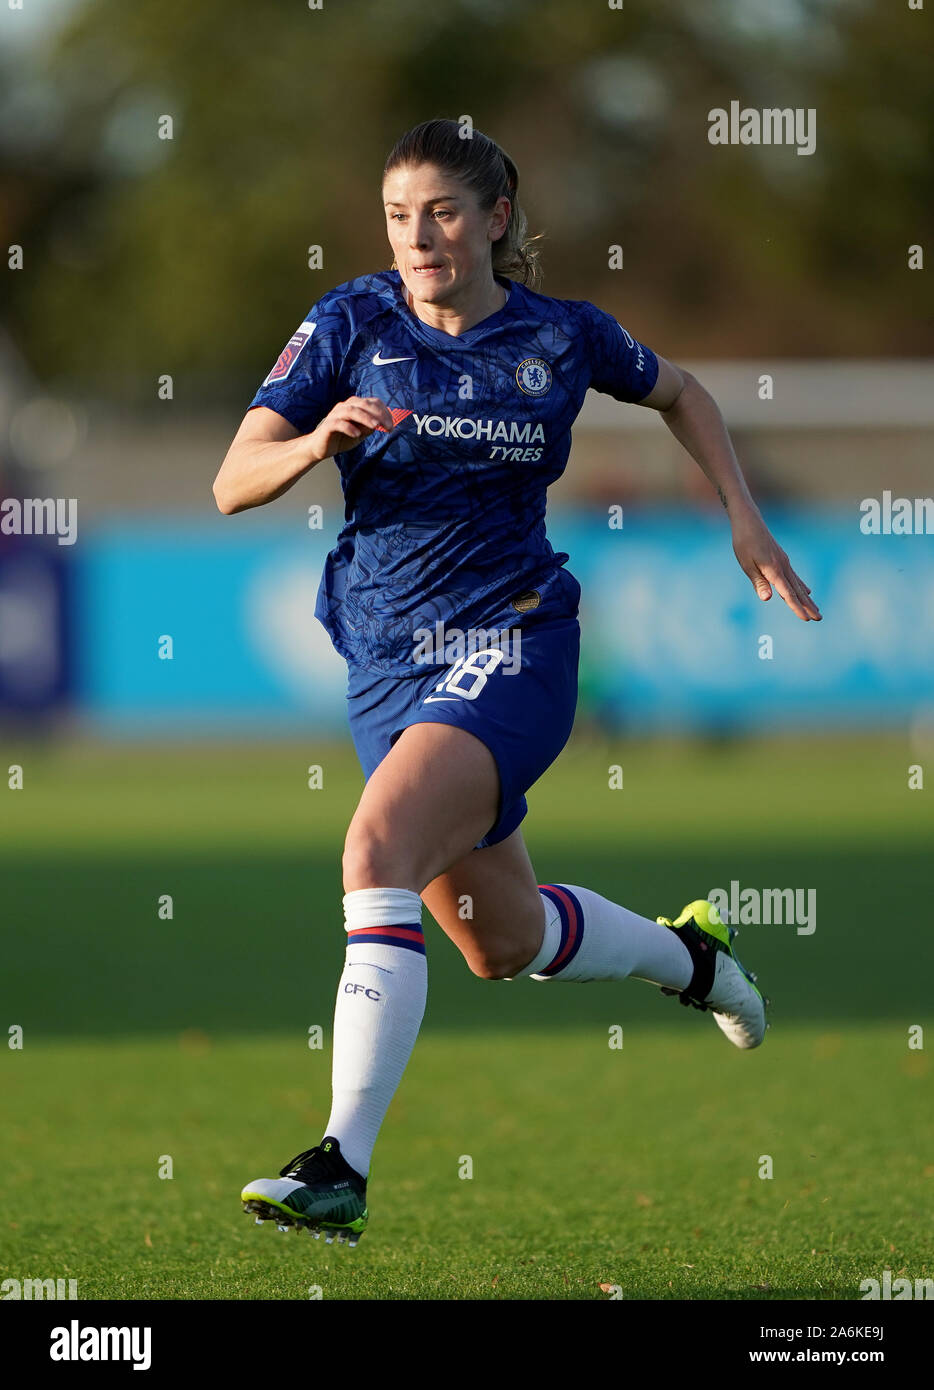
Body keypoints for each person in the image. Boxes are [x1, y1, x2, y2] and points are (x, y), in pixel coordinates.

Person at [213, 118, 821, 1248]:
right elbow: (229, 479)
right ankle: (694, 958)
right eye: (399, 216)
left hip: (515, 636)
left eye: (441, 211)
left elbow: (682, 392)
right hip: (385, 659)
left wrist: (741, 512)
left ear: (495, 218)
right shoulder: (350, 320)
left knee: (370, 852)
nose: (418, 237)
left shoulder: (563, 335)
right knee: (500, 944)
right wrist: (306, 446)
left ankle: (339, 1160)